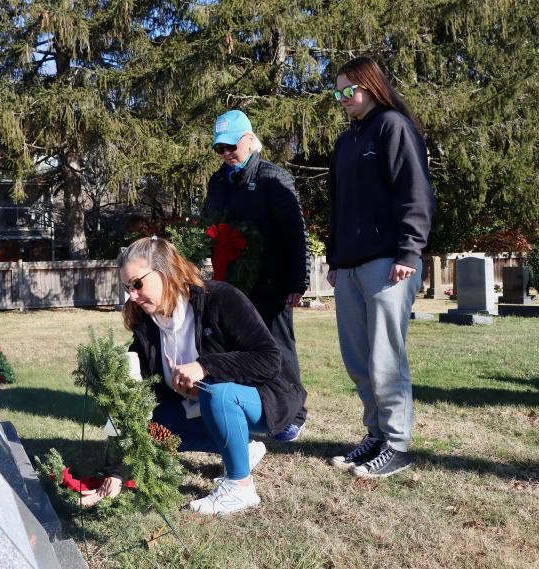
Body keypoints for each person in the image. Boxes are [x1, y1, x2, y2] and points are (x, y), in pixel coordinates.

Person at [81, 236, 305, 515]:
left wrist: (205, 366)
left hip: (263, 398)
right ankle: (242, 450)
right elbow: (132, 400)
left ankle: (241, 487)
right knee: (152, 427)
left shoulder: (220, 298)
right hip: (202, 409)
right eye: (127, 287)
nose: (132, 296)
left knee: (216, 391)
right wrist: (116, 472)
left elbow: (269, 359)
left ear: (166, 271)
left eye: (137, 284)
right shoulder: (146, 326)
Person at [325, 57, 435, 479]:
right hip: (350, 265)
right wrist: (335, 258)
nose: (342, 98)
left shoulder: (393, 127)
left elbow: (415, 191)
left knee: (386, 358)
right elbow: (338, 207)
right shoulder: (346, 142)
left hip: (389, 262)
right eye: (337, 92)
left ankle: (397, 444)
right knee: (358, 359)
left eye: (348, 90)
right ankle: (375, 434)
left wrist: (409, 252)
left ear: (370, 86)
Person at [201, 109, 310, 442]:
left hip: (271, 282)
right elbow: (209, 223)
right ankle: (255, 407)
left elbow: (295, 233)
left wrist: (298, 281)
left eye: (231, 146)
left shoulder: (273, 178)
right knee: (240, 346)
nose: (225, 154)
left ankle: (295, 413)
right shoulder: (217, 182)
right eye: (219, 148)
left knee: (278, 347)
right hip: (232, 283)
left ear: (249, 140)